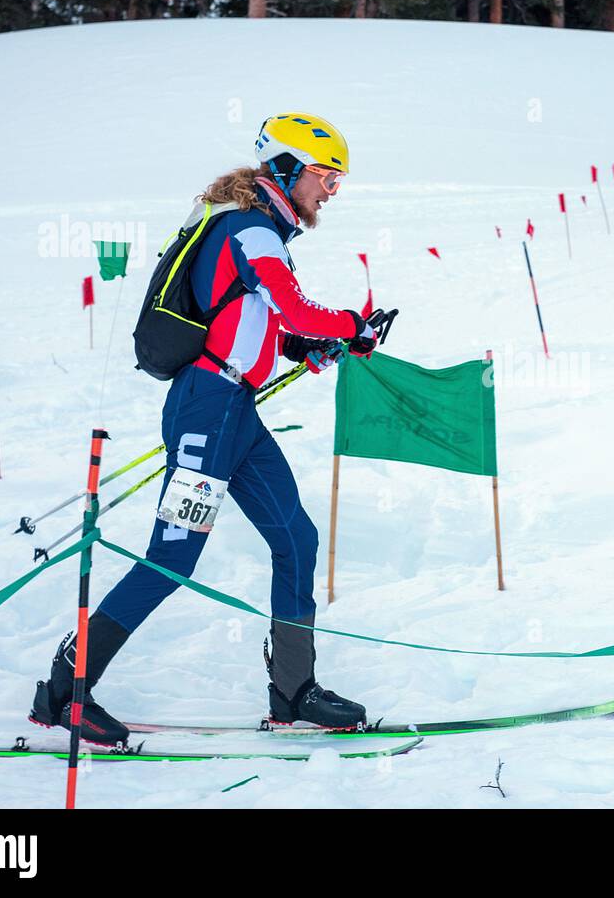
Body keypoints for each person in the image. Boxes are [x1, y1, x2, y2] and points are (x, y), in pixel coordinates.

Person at [30, 113, 380, 747]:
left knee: (296, 539)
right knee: (172, 558)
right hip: (206, 410)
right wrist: (349, 323)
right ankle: (66, 689)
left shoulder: (262, 229)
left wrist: (309, 349)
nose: (331, 192)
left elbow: (263, 322)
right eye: (326, 176)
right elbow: (295, 307)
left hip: (235, 413)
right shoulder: (248, 229)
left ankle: (293, 690)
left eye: (338, 181)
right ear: (286, 168)